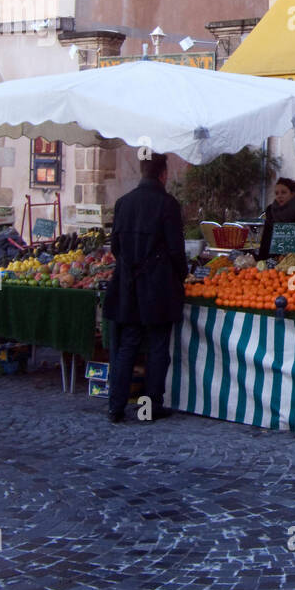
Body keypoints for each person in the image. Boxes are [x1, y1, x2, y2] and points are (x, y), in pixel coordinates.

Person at [103, 153, 187, 424]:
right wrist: (182, 275)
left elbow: (115, 246)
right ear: (163, 173)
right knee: (158, 347)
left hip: (128, 284)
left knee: (127, 345)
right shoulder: (167, 204)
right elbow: (176, 249)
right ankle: (148, 408)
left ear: (142, 172)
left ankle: (115, 406)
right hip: (158, 286)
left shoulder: (123, 203)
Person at [256, 177, 295, 260]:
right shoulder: (271, 211)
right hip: (270, 261)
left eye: (283, 192)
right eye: (277, 193)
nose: (279, 196)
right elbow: (265, 240)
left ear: (292, 194)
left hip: (294, 262)